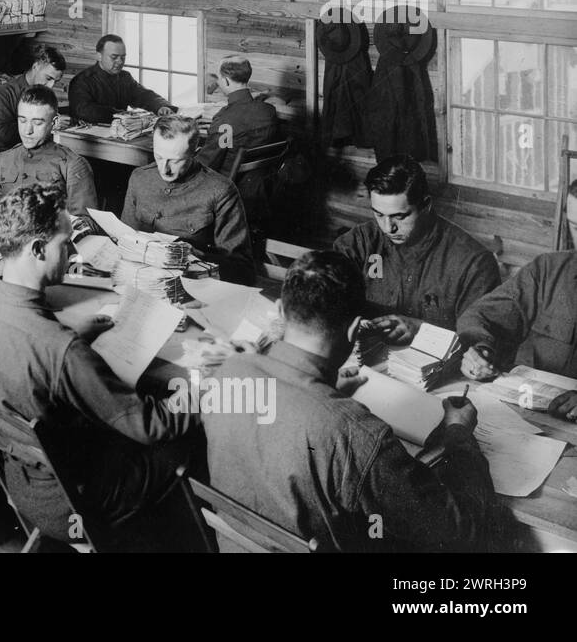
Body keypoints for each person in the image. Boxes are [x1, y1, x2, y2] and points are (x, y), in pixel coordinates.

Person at [0, 184, 201, 551]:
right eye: (65, 243)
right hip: (75, 502)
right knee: (185, 441)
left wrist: (70, 335)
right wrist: (202, 392)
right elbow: (151, 426)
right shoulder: (61, 349)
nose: (72, 253)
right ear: (38, 249)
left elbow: (28, 353)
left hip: (19, 482)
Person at [204, 250, 500, 552]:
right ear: (354, 329)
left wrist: (322, 390)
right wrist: (458, 434)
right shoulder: (358, 434)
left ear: (280, 311)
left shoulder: (228, 372)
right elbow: (458, 528)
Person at [333, 155, 500, 341]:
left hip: (440, 366)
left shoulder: (473, 263)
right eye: (379, 214)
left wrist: (424, 331)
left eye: (400, 216)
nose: (388, 227)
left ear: (426, 205)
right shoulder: (358, 243)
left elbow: (478, 344)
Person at [459, 180, 577, 420]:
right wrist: (480, 350)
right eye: (576, 226)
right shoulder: (548, 270)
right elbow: (480, 315)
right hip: (536, 420)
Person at [121, 113, 256, 285]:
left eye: (175, 161)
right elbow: (125, 239)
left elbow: (243, 270)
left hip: (195, 286)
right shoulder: (139, 178)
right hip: (141, 280)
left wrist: (199, 258)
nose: (165, 169)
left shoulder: (221, 190)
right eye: (159, 157)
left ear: (195, 152)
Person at [0, 85, 97, 217]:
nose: (27, 131)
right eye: (22, 120)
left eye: (37, 123)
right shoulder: (4, 159)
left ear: (54, 123)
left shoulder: (73, 165)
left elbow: (87, 222)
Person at [196, 56, 281, 174]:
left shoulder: (224, 119)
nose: (218, 82)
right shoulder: (269, 111)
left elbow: (205, 163)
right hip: (258, 181)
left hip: (226, 183)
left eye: (219, 78)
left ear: (226, 81)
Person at [67, 34, 174, 123]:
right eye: (114, 57)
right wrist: (123, 114)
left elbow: (144, 95)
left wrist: (160, 106)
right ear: (99, 56)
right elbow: (85, 111)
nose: (120, 62)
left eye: (123, 57)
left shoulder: (124, 77)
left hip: (120, 133)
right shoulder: (82, 81)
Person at [0, 44, 66, 154]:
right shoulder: (4, 92)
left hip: (41, 152)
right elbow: (3, 135)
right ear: (35, 67)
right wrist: (49, 124)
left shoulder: (45, 92)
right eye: (48, 78)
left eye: (55, 81)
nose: (51, 86)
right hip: (12, 155)